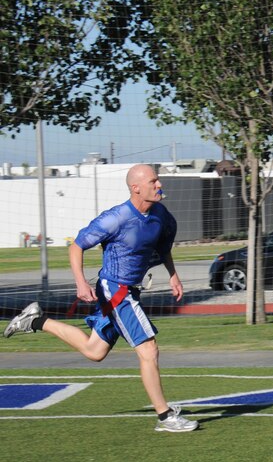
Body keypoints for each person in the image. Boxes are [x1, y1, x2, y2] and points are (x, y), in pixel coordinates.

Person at [3, 164, 198, 432]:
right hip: (116, 291)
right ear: (136, 188)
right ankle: (166, 417)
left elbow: (163, 248)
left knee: (95, 352)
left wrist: (173, 275)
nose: (159, 185)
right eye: (153, 181)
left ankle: (36, 321)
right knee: (149, 350)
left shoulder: (160, 215)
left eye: (158, 180)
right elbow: (77, 246)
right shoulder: (115, 218)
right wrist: (80, 282)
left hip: (131, 291)